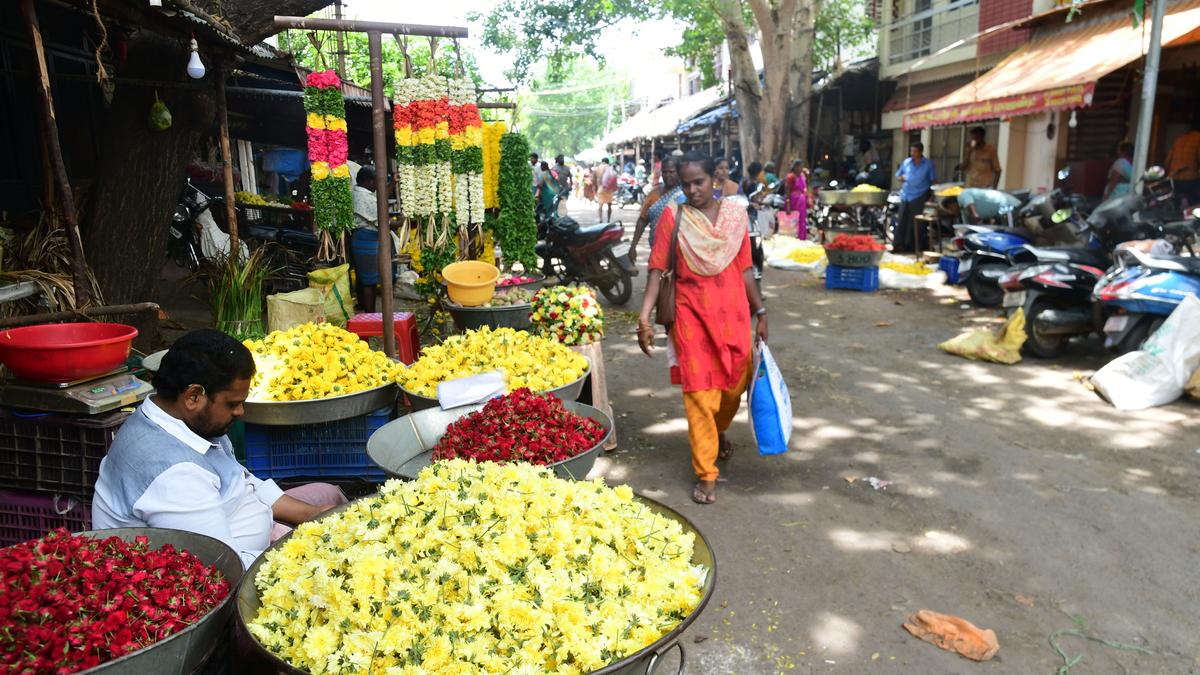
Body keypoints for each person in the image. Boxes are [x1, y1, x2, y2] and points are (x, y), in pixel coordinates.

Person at [92, 330, 347, 569]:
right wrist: (309, 550)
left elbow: (242, 480)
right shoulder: (174, 476)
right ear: (193, 396)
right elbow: (222, 566)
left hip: (254, 529)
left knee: (328, 496)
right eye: (233, 404)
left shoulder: (182, 421)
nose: (240, 412)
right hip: (232, 568)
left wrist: (310, 514)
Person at [636, 150, 769, 505]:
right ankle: (706, 473)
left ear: (716, 180)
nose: (693, 190)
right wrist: (644, 316)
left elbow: (744, 270)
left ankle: (718, 430)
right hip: (690, 318)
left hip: (734, 318)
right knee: (699, 396)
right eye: (686, 183)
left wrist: (761, 312)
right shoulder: (672, 217)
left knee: (732, 388)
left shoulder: (735, 217)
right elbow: (656, 269)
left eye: (700, 182)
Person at [630, 155, 684, 263]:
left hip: (680, 252)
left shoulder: (685, 195)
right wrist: (633, 246)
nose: (668, 175)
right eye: (665, 172)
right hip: (656, 250)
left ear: (679, 173)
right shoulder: (654, 193)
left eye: (671, 172)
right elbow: (642, 220)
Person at [894, 142, 937, 253]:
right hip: (906, 195)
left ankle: (913, 247)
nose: (912, 154)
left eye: (915, 152)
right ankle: (898, 245)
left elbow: (934, 181)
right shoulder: (907, 162)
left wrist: (932, 196)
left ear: (920, 152)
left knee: (916, 223)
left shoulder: (928, 164)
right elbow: (898, 175)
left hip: (919, 195)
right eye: (911, 151)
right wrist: (901, 178)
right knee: (902, 220)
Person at [350, 165, 381, 312]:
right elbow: (381, 220)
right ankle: (370, 314)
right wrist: (402, 222)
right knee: (369, 281)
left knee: (364, 278)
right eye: (376, 181)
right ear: (369, 181)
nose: (377, 184)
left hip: (362, 238)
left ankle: (364, 308)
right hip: (366, 239)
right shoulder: (363, 196)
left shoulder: (358, 193)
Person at [1165, 119, 1200, 207]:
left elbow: (1168, 159)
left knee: (1176, 202)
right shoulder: (1198, 139)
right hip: (1191, 178)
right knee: (1194, 204)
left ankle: (1174, 217)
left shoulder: (1179, 139)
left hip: (1175, 177)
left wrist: (1168, 173)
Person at [956, 188, 1021, 223]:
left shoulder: (962, 195)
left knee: (1009, 233)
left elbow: (969, 202)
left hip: (1007, 206)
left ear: (951, 204)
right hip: (1001, 211)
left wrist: (975, 214)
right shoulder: (964, 210)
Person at [784, 160, 809, 234]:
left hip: (802, 202)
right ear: (795, 167)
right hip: (794, 202)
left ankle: (801, 236)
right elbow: (787, 191)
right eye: (800, 167)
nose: (801, 168)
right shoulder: (791, 177)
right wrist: (788, 204)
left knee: (801, 219)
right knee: (794, 219)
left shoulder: (802, 176)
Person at [595, 158, 616, 222]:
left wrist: (595, 187)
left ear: (602, 162)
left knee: (600, 205)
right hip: (609, 188)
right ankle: (608, 220)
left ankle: (600, 219)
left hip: (600, 188)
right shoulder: (610, 168)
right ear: (608, 162)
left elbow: (593, 179)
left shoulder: (597, 168)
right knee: (609, 205)